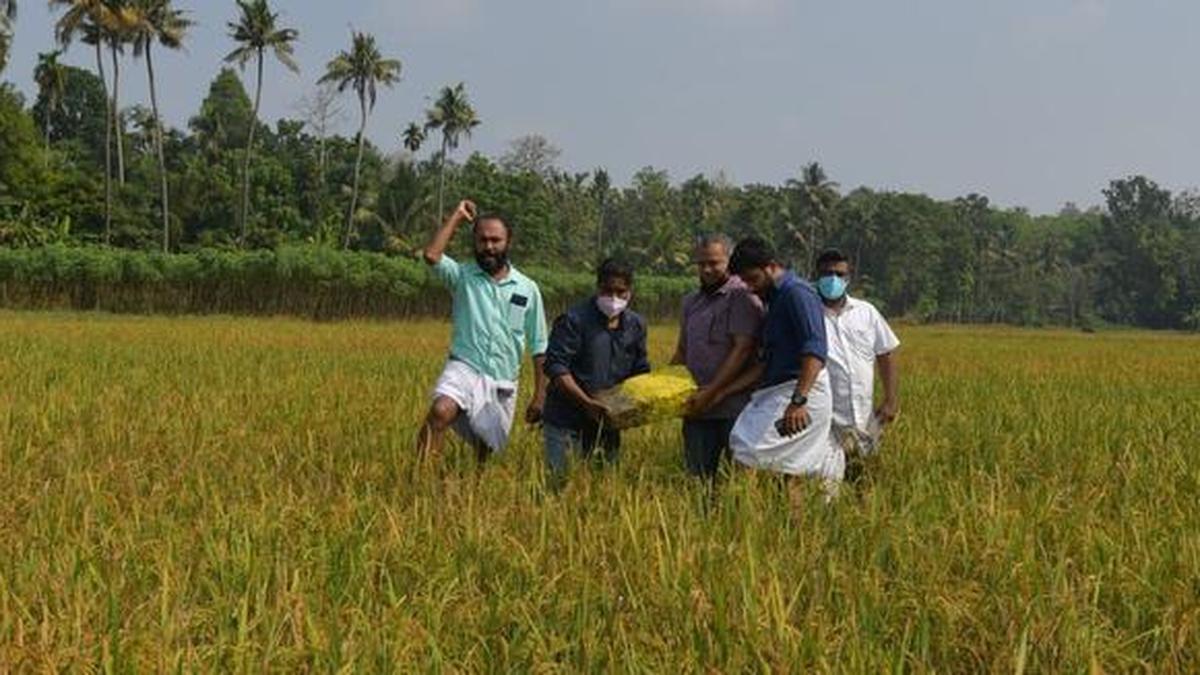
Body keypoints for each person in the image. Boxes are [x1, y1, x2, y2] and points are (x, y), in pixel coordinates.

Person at [417, 199, 549, 464]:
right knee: (441, 411)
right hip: (465, 365)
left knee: (485, 447)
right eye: (482, 240)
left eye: (495, 240)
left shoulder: (526, 288)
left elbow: (539, 345)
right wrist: (457, 215)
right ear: (474, 243)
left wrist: (540, 395)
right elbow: (432, 255)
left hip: (502, 377)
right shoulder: (463, 277)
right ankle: (421, 482)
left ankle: (471, 493)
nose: (489, 246)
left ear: (508, 242)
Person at [722, 237, 844, 485]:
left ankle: (745, 520)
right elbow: (765, 364)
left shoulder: (796, 294)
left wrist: (799, 401)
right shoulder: (774, 299)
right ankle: (786, 524)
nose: (750, 287)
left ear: (771, 266)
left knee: (747, 453)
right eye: (744, 282)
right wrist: (722, 391)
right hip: (780, 390)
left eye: (752, 279)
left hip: (799, 392)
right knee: (791, 471)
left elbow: (815, 350)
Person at [542, 258, 650, 480]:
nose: (614, 299)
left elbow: (640, 370)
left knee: (603, 487)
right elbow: (556, 367)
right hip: (566, 419)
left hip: (607, 422)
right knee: (560, 483)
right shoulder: (574, 320)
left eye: (621, 292)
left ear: (630, 292)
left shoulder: (636, 325)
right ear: (598, 287)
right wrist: (586, 402)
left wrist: (637, 404)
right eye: (608, 291)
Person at [671, 234, 765, 479]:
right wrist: (661, 388)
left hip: (735, 409)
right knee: (698, 481)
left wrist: (712, 392)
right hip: (697, 410)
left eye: (714, 263)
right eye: (701, 263)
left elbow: (742, 349)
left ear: (729, 262)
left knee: (742, 484)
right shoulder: (691, 303)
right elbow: (682, 352)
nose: (707, 269)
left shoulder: (742, 297)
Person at [814, 249, 900, 467]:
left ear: (848, 278)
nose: (833, 279)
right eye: (827, 273)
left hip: (865, 416)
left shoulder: (866, 312)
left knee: (866, 477)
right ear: (816, 276)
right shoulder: (809, 313)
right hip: (825, 420)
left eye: (839, 274)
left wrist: (890, 400)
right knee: (827, 484)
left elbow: (886, 353)